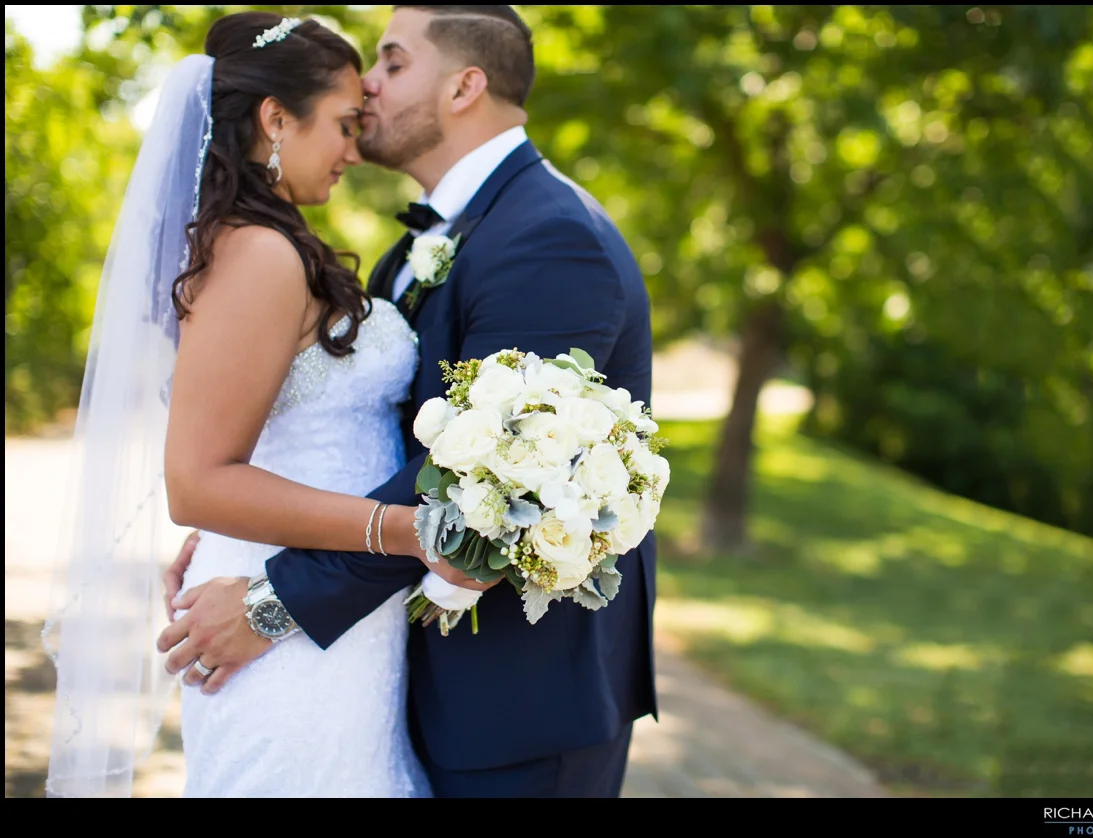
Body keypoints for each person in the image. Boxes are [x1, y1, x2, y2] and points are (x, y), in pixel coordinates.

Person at [158, 5, 659, 798]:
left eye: (391, 62)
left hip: (515, 703)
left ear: (465, 86)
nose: (369, 88)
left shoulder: (547, 235)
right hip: (404, 664)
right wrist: (243, 524)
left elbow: (491, 476)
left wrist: (273, 597)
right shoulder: (420, 241)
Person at [43, 11, 477, 798]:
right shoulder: (261, 255)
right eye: (344, 125)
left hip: (321, 606)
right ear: (277, 118)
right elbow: (197, 482)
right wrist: (405, 529)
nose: (355, 148)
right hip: (284, 620)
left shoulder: (261, 243)